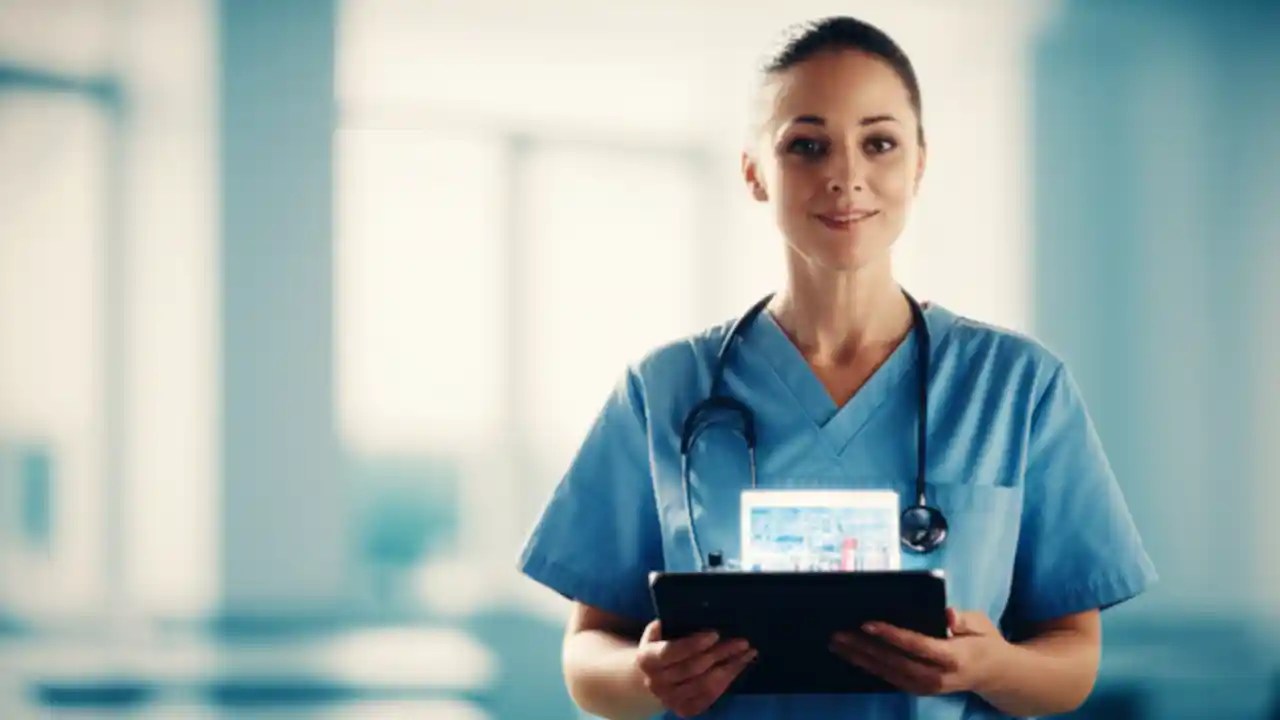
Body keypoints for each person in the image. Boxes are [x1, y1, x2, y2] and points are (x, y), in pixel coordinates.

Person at [517, 15, 1156, 720]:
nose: (845, 176)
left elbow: (1072, 659)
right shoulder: (664, 390)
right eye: (807, 145)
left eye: (878, 143)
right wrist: (646, 675)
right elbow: (587, 656)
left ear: (918, 162)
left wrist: (992, 665)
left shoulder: (1017, 387)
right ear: (755, 173)